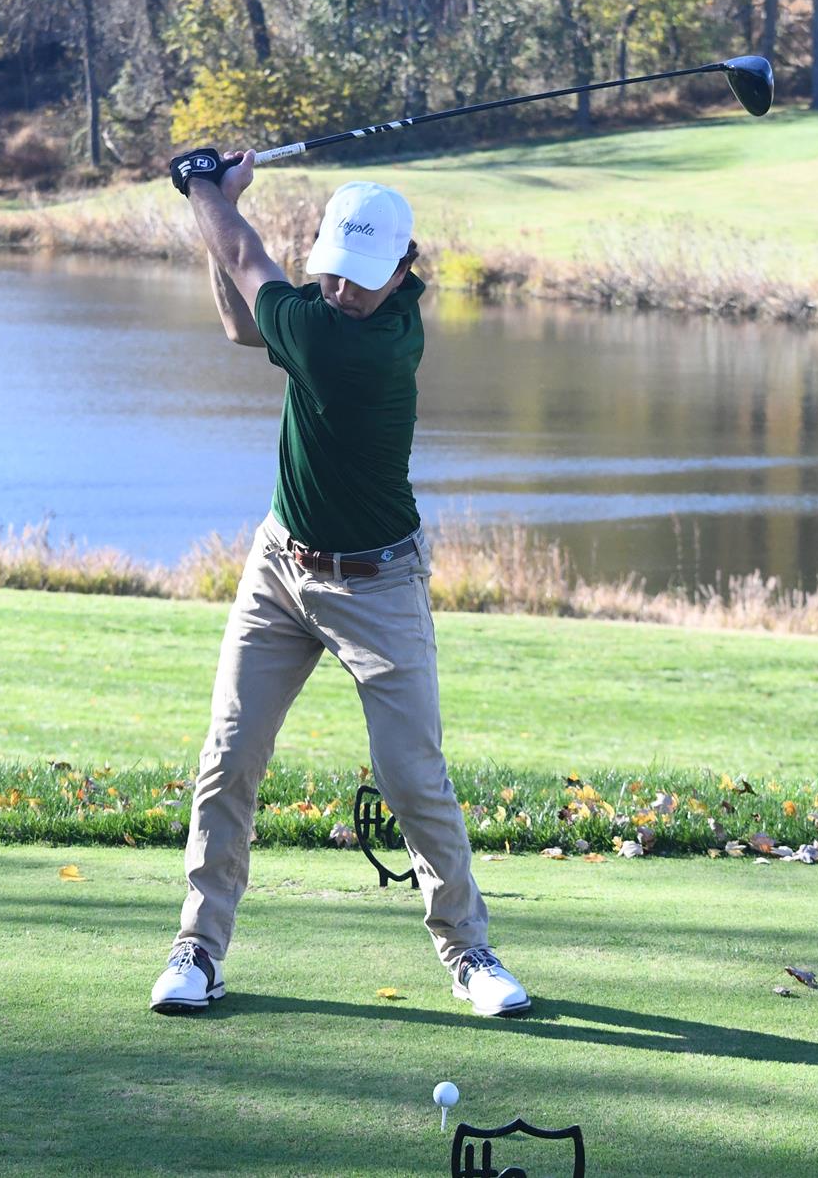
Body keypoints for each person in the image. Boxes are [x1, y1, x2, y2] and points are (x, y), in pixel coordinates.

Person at [146, 145, 531, 1020]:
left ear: (404, 272)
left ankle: (470, 951)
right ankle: (198, 949)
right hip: (280, 570)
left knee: (413, 777)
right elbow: (244, 323)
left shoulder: (354, 345)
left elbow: (246, 260)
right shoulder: (330, 315)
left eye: (362, 279)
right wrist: (217, 208)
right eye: (334, 272)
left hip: (379, 584)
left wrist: (207, 186)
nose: (343, 291)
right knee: (228, 760)